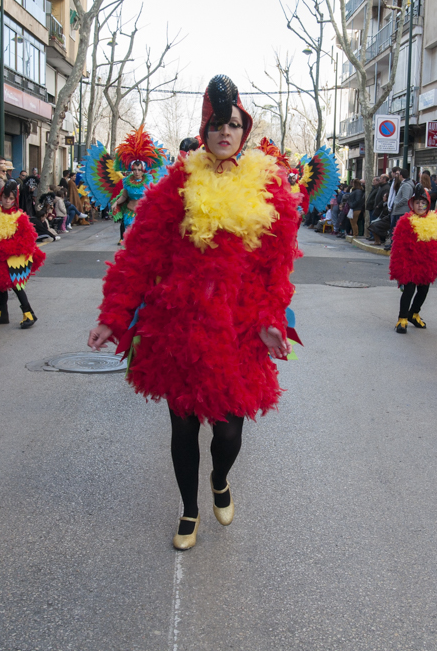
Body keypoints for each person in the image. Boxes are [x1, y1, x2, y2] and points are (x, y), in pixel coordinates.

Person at [86, 75, 300, 551]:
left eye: (233, 124)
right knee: (182, 424)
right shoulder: (175, 185)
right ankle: (189, 508)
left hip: (239, 329)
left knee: (228, 432)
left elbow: (275, 269)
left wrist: (270, 319)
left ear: (244, 129)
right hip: (178, 326)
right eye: (215, 124)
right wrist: (113, 316)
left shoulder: (271, 191)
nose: (225, 132)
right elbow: (139, 255)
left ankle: (220, 478)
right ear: (203, 131)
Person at [0, 179, 45, 329]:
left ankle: (29, 313)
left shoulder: (19, 218)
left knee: (16, 284)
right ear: (0, 197)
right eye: (5, 197)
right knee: (1, 284)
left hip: (12, 259)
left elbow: (27, 240)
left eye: (11, 199)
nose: (7, 201)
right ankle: (2, 313)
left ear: (15, 200)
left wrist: (6, 248)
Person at [389, 184, 437, 333]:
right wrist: (400, 269)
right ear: (412, 204)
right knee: (409, 290)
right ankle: (402, 318)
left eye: (423, 202)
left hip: (427, 265)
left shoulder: (436, 220)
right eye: (417, 203)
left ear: (428, 204)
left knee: (423, 290)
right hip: (410, 264)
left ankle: (414, 313)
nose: (420, 205)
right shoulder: (405, 222)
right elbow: (398, 248)